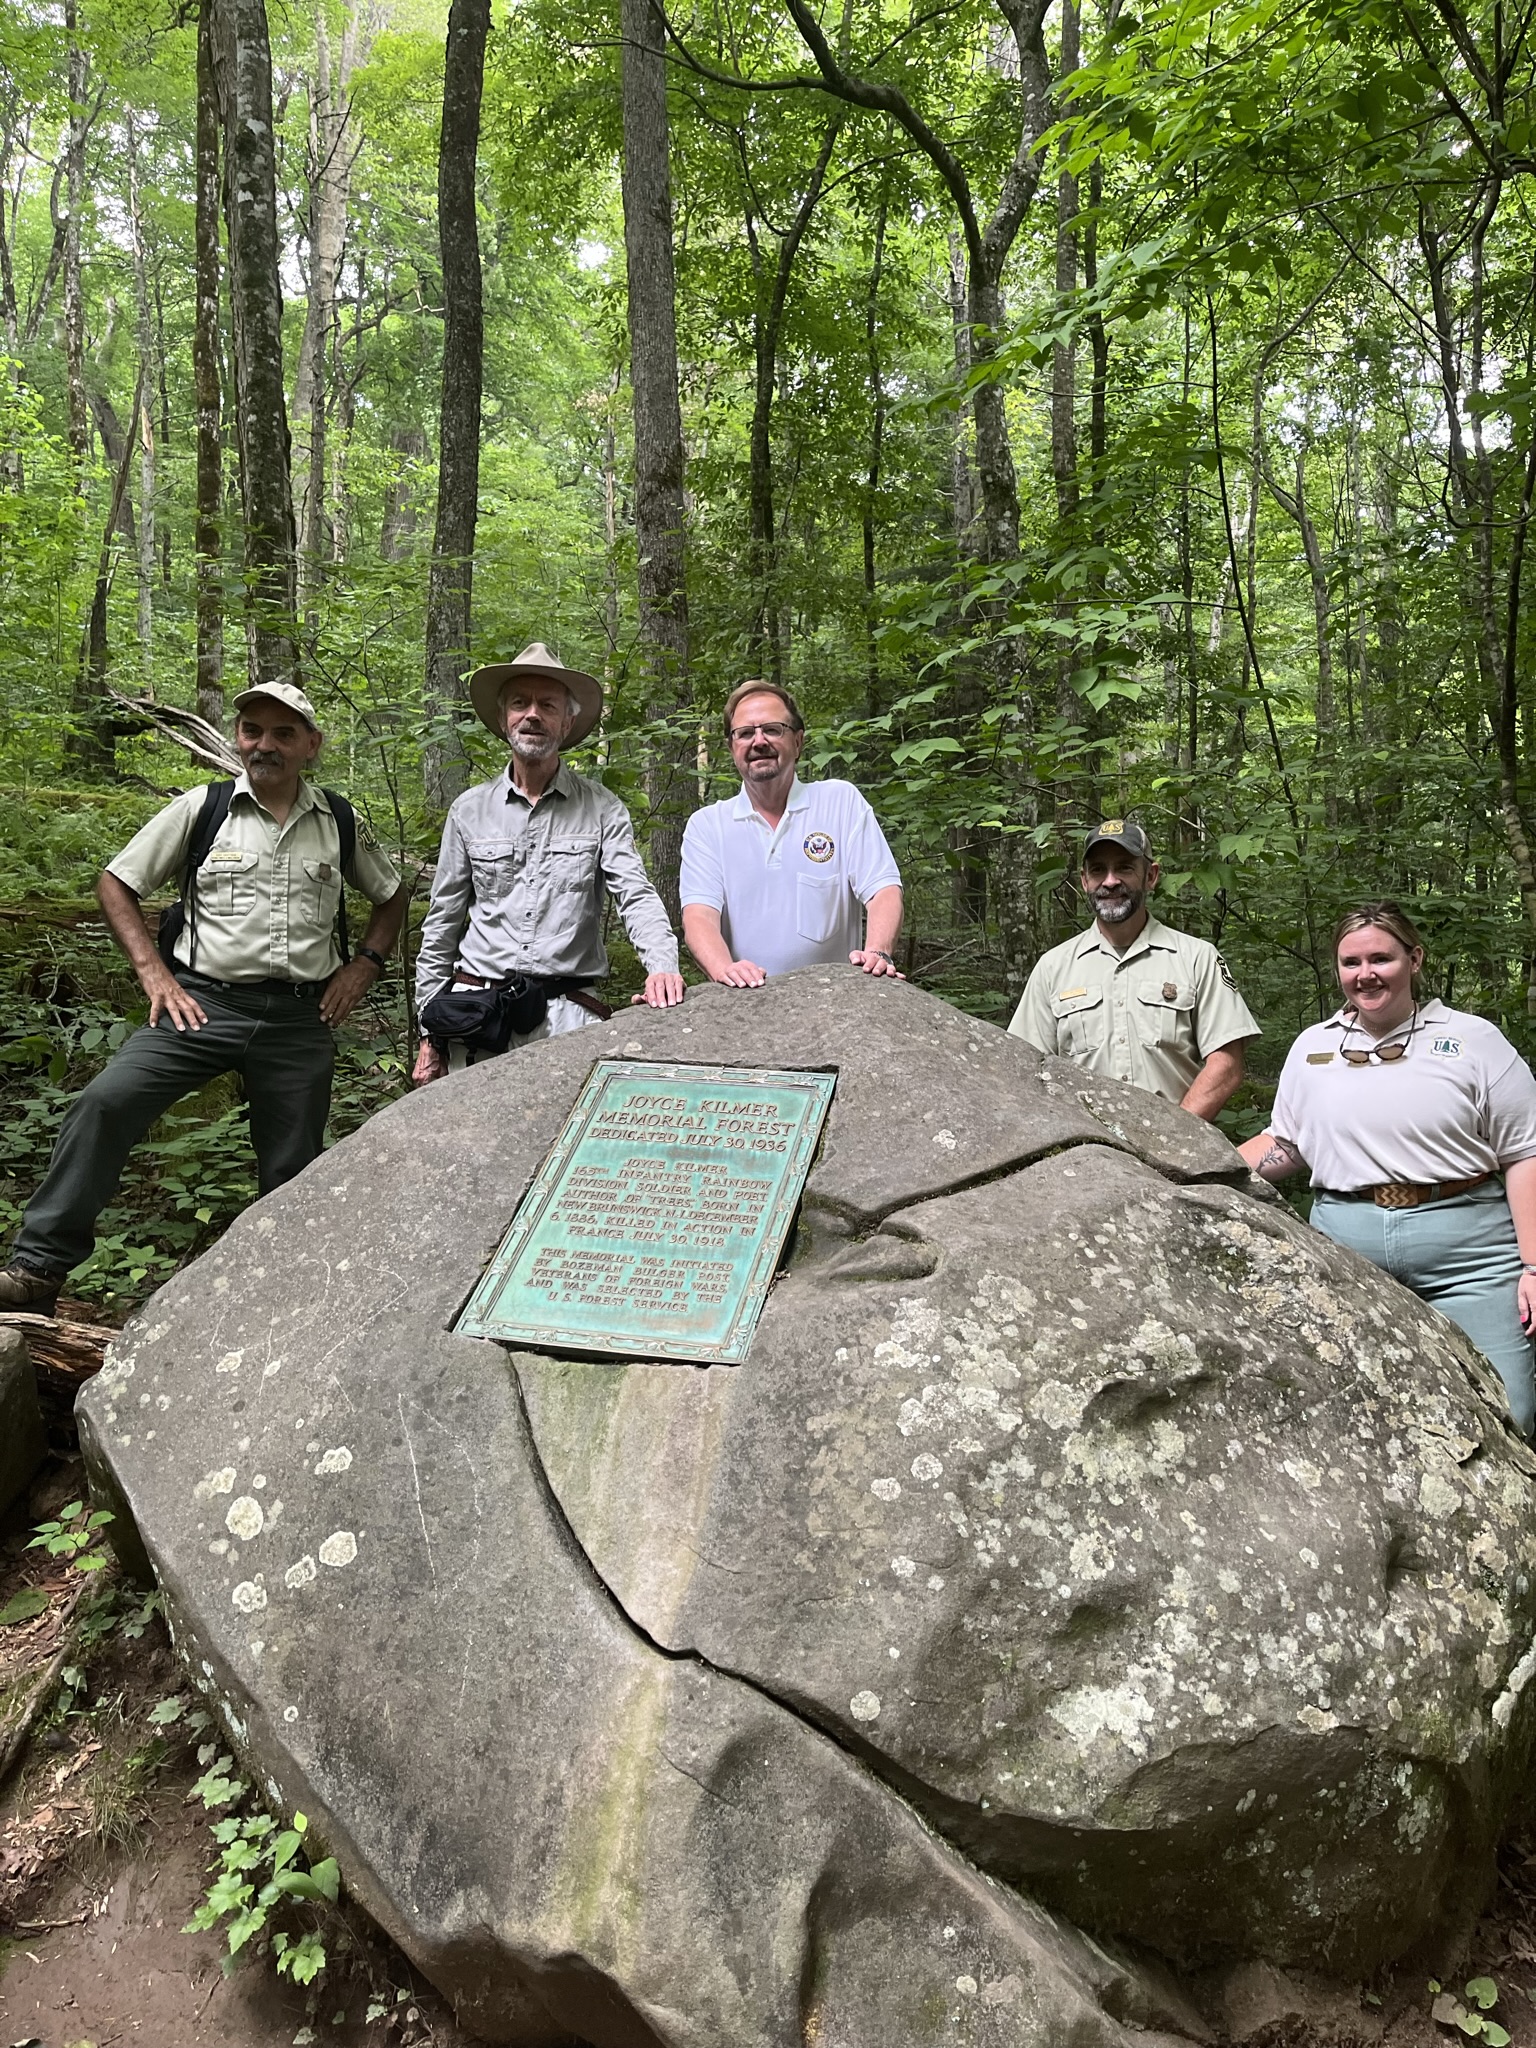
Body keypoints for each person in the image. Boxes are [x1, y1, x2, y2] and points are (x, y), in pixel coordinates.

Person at [0, 683, 409, 1318]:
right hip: (200, 1007)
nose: (264, 745)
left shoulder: (339, 821)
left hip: (300, 1018)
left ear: (311, 745)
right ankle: (37, 1269)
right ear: (238, 736)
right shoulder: (204, 807)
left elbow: (392, 894)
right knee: (105, 1103)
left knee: (294, 1168)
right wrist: (153, 974)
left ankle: (281, 1303)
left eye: (283, 734)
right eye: (252, 730)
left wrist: (364, 965)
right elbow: (116, 881)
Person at [1239, 903, 1536, 1438]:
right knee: (1349, 1416)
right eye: (1351, 962)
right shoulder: (1314, 1046)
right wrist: (1198, 1172)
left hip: (1470, 1258)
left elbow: (1523, 1153)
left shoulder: (1475, 1041)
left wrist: (1534, 1267)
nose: (1366, 974)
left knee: (1508, 1412)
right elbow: (1287, 1142)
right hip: (1345, 1255)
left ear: (1414, 960)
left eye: (1381, 958)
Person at [411, 642, 683, 1085]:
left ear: (567, 721)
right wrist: (429, 1032)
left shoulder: (602, 808)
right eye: (520, 703)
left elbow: (635, 895)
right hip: (477, 1016)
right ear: (503, 718)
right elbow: (442, 923)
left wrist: (663, 966)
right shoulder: (469, 811)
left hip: (569, 1017)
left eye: (548, 705)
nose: (532, 715)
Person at [1007, 819, 1259, 1119]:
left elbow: (1226, 1064)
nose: (1110, 881)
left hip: (1176, 1140)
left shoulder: (1196, 958)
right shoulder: (1053, 968)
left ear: (1151, 876)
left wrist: (1177, 1134)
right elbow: (1023, 1069)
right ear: (1084, 880)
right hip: (1084, 1143)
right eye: (1098, 870)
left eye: (1124, 868)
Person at [679, 681, 903, 986]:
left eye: (773, 729)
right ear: (732, 747)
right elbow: (699, 916)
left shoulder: (840, 802)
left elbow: (883, 890)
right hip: (746, 999)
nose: (759, 741)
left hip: (837, 1001)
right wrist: (724, 970)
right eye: (745, 733)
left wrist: (878, 952)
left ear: (797, 742)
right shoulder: (707, 826)